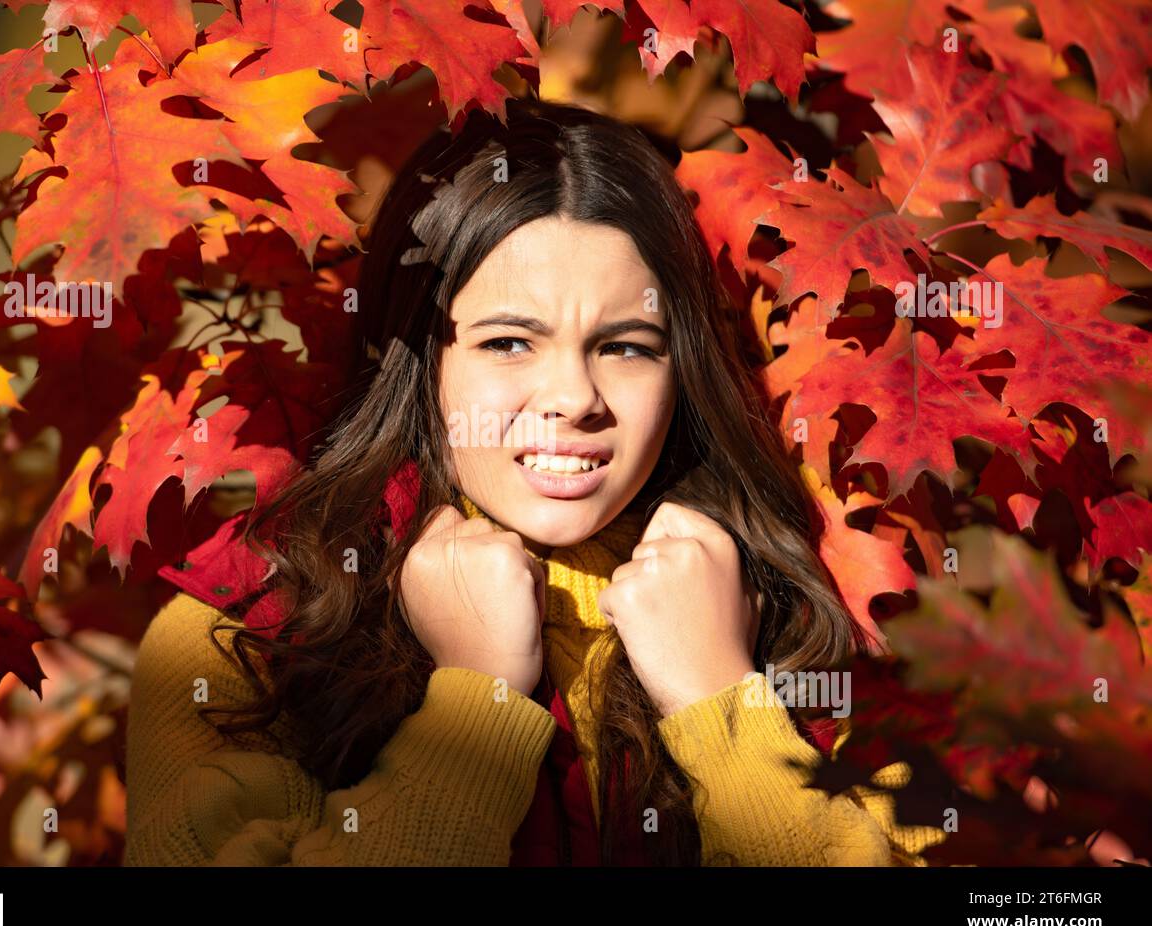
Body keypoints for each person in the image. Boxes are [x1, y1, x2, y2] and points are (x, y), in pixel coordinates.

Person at [123, 98, 947, 867]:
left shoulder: (815, 602)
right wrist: (472, 711)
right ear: (417, 357)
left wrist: (723, 705)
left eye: (625, 346)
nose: (575, 400)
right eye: (509, 343)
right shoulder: (258, 626)